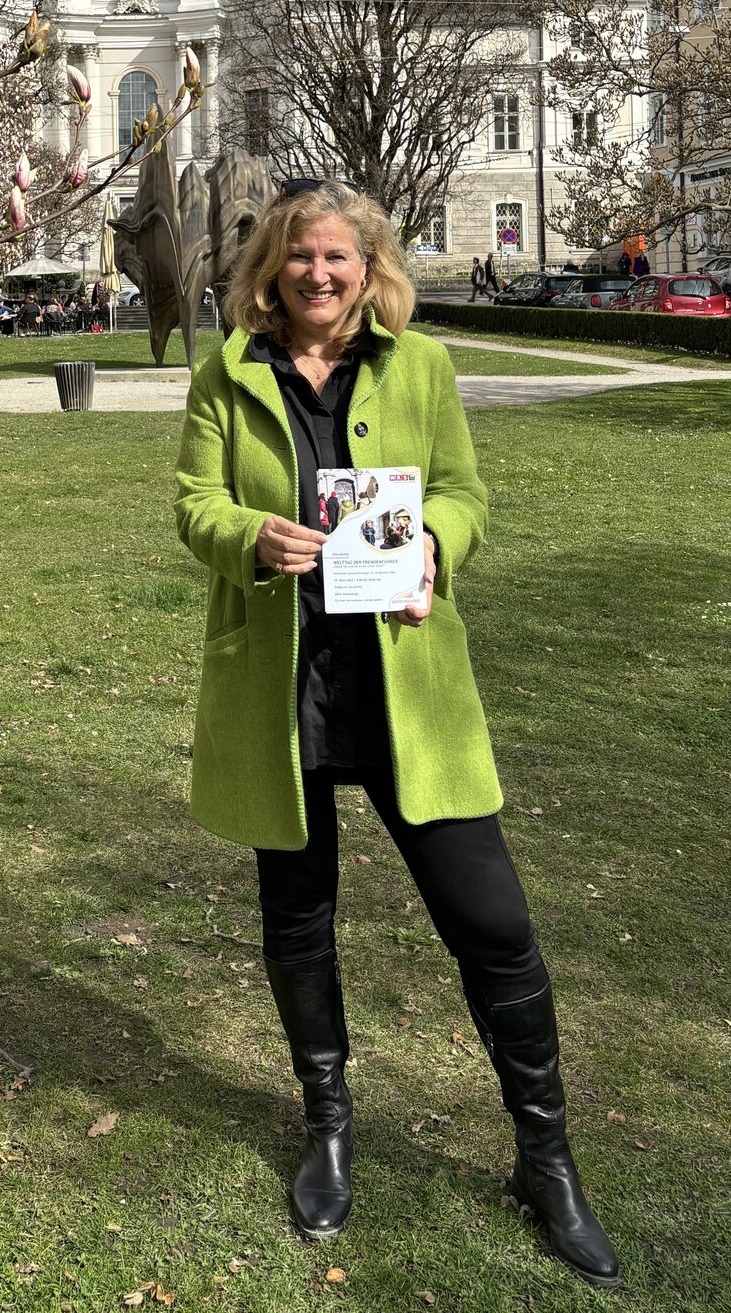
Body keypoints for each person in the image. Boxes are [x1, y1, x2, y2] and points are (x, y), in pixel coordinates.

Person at [172, 179, 619, 1286]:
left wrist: (436, 548)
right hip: (283, 687)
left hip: (404, 682)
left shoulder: (418, 365)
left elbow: (465, 492)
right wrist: (247, 534)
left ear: (373, 271)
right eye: (299, 257)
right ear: (270, 266)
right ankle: (327, 1120)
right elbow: (192, 502)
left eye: (340, 259)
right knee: (300, 915)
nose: (318, 276)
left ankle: (545, 1157)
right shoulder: (225, 370)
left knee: (494, 922)